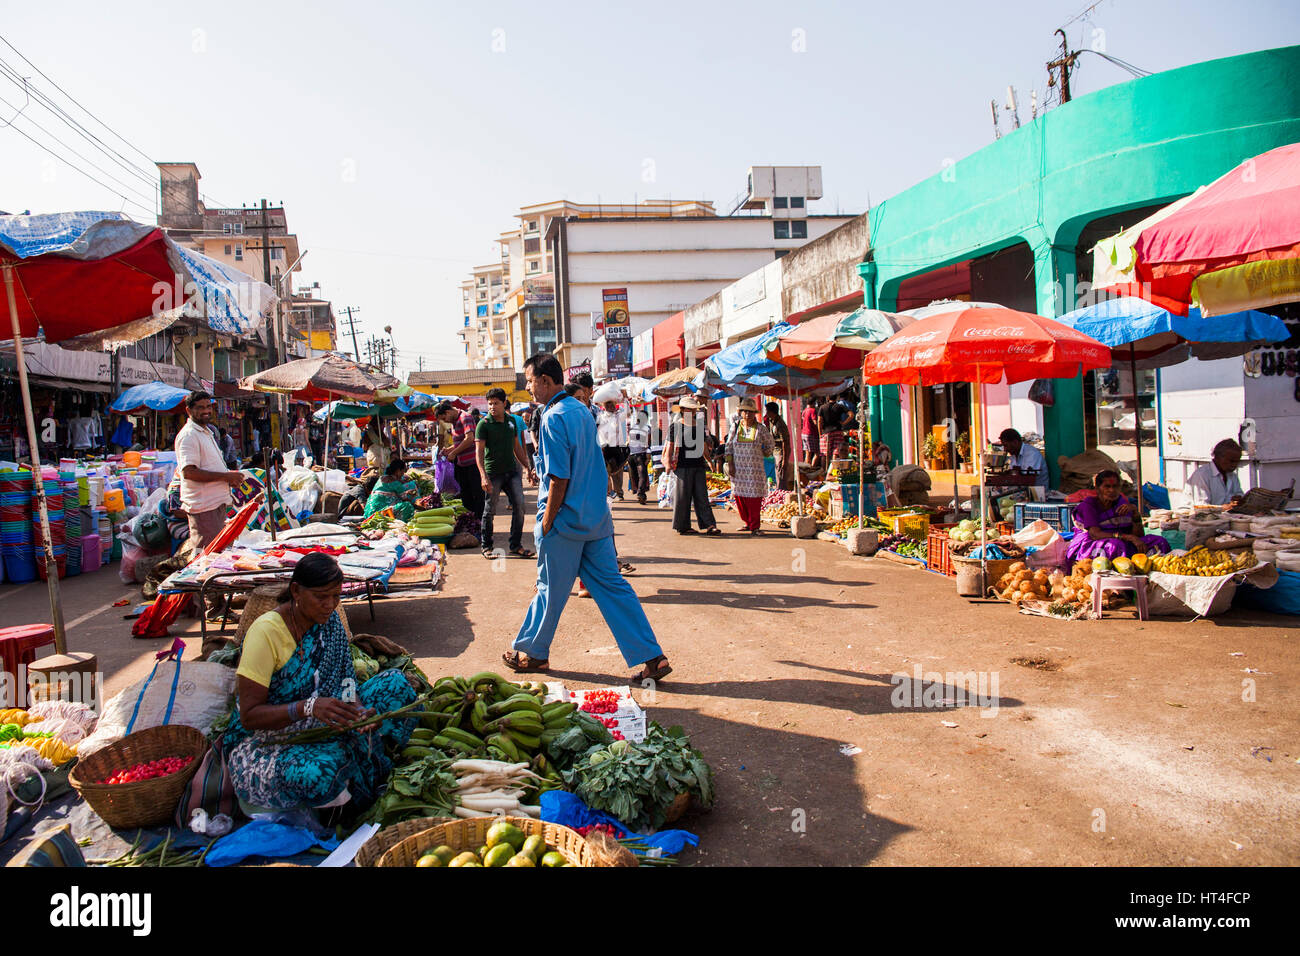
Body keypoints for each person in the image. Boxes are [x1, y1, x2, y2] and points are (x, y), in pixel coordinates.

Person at [503, 354, 671, 683]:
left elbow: (558, 478)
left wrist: (546, 522)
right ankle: (653, 658)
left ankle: (534, 653)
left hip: (565, 522)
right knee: (613, 588)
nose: (528, 388)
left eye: (530, 381)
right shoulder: (581, 409)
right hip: (595, 520)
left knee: (549, 588)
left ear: (546, 381)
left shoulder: (551, 417)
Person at [224, 553, 416, 813]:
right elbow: (249, 717)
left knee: (396, 685)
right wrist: (308, 707)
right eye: (321, 596)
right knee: (322, 771)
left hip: (329, 720)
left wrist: (357, 711)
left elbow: (346, 680)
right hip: (271, 741)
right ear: (296, 591)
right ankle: (350, 775)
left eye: (336, 596)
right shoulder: (266, 632)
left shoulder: (331, 622)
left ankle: (359, 756)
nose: (330, 604)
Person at [175, 391, 243, 636]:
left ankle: (216, 604)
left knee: (215, 557)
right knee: (206, 558)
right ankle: (212, 608)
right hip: (202, 506)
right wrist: (226, 477)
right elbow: (190, 472)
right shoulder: (189, 436)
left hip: (214, 503)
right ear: (189, 410)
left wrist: (228, 479)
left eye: (208, 407)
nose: (205, 411)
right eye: (200, 408)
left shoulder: (207, 432)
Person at [477, 387, 536, 558]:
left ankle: (515, 545)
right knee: (489, 510)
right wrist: (483, 475)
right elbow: (479, 452)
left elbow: (516, 447)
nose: (492, 407)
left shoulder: (511, 421)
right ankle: (487, 546)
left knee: (520, 506)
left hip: (512, 472)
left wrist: (526, 467)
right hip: (493, 473)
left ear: (504, 403)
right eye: (490, 404)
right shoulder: (484, 424)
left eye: (496, 403)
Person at [1066, 469, 1172, 563]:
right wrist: (1127, 537)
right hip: (1092, 545)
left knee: (1159, 541)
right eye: (1107, 487)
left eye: (1115, 486)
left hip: (1123, 542)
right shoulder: (1089, 505)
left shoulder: (1122, 503)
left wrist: (1135, 514)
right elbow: (1095, 534)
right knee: (1115, 546)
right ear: (1097, 489)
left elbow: (1138, 536)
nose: (1111, 490)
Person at [663, 396, 719, 536]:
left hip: (698, 465)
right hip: (681, 466)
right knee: (682, 498)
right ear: (682, 410)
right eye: (690, 409)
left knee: (702, 496)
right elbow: (669, 446)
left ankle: (709, 525)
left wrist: (709, 461)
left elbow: (703, 446)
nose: (693, 411)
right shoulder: (675, 426)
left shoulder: (699, 426)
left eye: (694, 409)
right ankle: (683, 526)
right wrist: (668, 463)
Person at [727, 398, 775, 534]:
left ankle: (755, 526)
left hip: (755, 470)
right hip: (738, 469)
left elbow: (770, 444)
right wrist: (730, 464)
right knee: (740, 497)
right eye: (745, 411)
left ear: (755, 413)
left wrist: (765, 452)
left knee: (754, 498)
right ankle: (747, 522)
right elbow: (728, 446)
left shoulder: (761, 429)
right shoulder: (735, 426)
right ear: (741, 412)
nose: (747, 414)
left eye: (750, 412)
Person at [448, 403, 485, 518]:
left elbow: (470, 439)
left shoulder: (465, 417)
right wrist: (449, 450)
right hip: (462, 464)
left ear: (448, 412)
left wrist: (453, 452)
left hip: (472, 463)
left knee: (477, 496)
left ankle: (480, 524)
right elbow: (459, 442)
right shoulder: (454, 421)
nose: (445, 421)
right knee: (466, 496)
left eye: (444, 418)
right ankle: (472, 521)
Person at [1185, 439, 1245, 506]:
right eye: (1231, 461)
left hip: (1223, 515)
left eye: (1237, 462)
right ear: (1218, 457)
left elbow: (1239, 494)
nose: (1234, 465)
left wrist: (1238, 499)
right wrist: (1223, 508)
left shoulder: (1232, 476)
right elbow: (1201, 506)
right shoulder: (1202, 475)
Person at [597, 399, 629, 501]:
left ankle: (619, 492)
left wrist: (624, 399)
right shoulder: (600, 417)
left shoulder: (619, 416)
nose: (610, 406)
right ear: (604, 406)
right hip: (604, 448)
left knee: (617, 472)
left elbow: (627, 411)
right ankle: (608, 493)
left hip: (617, 447)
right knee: (605, 471)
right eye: (608, 404)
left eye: (612, 404)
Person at [764, 401, 793, 491]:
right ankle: (779, 490)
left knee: (781, 474)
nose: (767, 413)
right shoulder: (771, 421)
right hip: (775, 451)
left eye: (768, 411)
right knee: (777, 473)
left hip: (781, 451)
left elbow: (786, 442)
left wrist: (785, 459)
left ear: (772, 412)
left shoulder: (780, 424)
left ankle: (782, 492)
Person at [627, 409, 651, 504]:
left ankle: (638, 491)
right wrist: (648, 454)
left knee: (635, 475)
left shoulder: (632, 428)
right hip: (640, 455)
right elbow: (648, 443)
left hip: (631, 455)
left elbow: (629, 441)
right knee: (642, 474)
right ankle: (641, 494)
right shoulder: (647, 428)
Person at [801, 398, 821, 466]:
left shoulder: (804, 411)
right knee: (817, 453)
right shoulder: (812, 410)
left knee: (808, 454)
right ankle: (812, 468)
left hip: (804, 433)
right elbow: (815, 422)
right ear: (813, 403)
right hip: (811, 434)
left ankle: (806, 470)